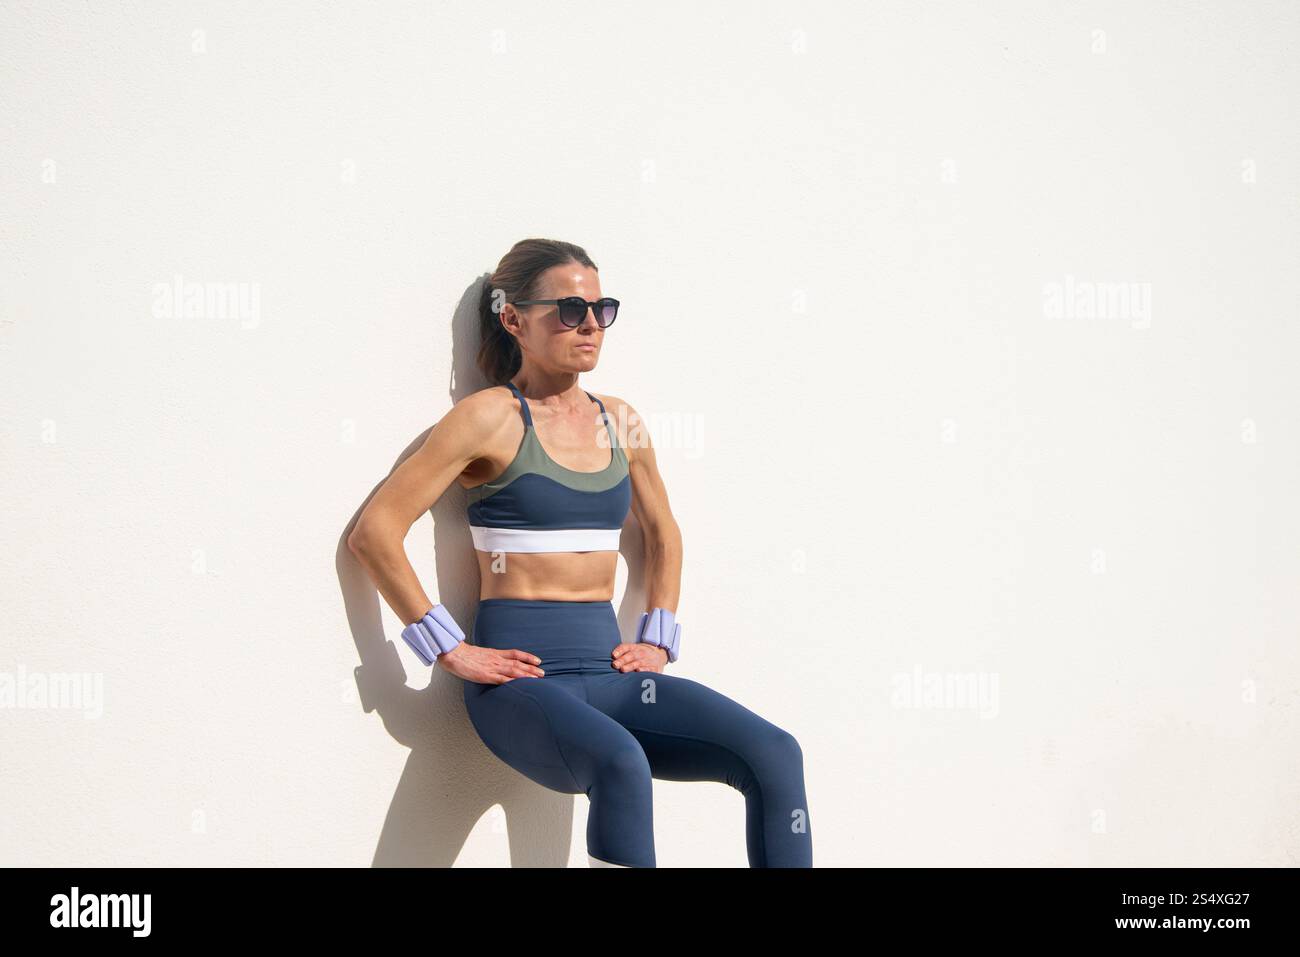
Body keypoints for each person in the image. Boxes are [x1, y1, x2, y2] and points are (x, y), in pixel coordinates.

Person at [348, 237, 811, 867]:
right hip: (522, 686)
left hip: (615, 677)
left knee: (775, 753)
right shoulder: (488, 419)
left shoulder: (621, 420)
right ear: (513, 319)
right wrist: (448, 649)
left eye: (601, 309)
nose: (591, 325)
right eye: (570, 310)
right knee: (621, 762)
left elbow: (662, 531)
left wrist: (659, 636)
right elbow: (375, 532)